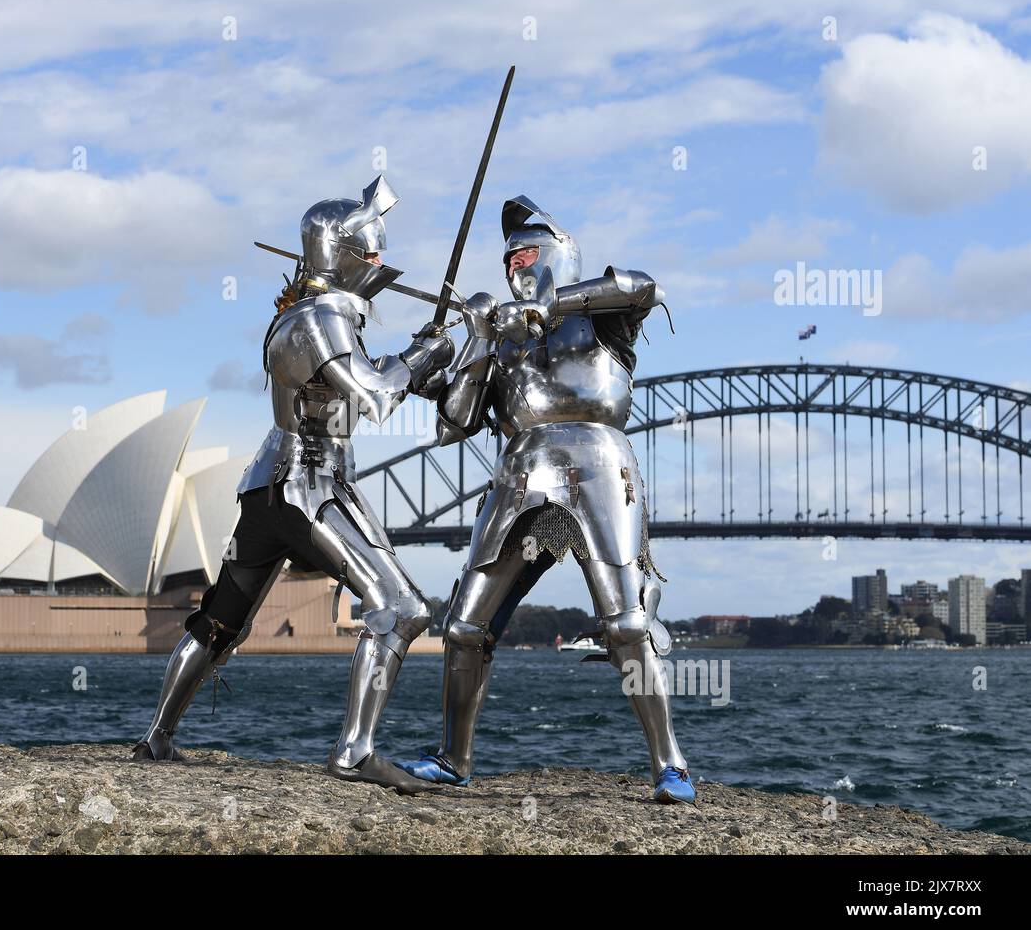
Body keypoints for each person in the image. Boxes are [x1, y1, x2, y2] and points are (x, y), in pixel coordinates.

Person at [133, 175, 453, 794]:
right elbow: (381, 398)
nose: (381, 262)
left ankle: (157, 738)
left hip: (268, 487)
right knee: (401, 609)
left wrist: (435, 358)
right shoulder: (320, 320)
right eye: (372, 250)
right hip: (310, 486)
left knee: (222, 621)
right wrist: (420, 356)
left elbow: (372, 386)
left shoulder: (310, 317)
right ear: (344, 253)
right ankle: (355, 751)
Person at [398, 195, 695, 803]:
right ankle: (455, 757)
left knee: (625, 625)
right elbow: (453, 426)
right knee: (463, 627)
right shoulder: (505, 340)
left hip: (599, 467)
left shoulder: (602, 315)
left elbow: (644, 286)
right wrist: (479, 342)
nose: (515, 265)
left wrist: (546, 306)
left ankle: (670, 764)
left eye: (528, 252)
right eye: (509, 258)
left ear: (558, 254)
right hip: (521, 476)